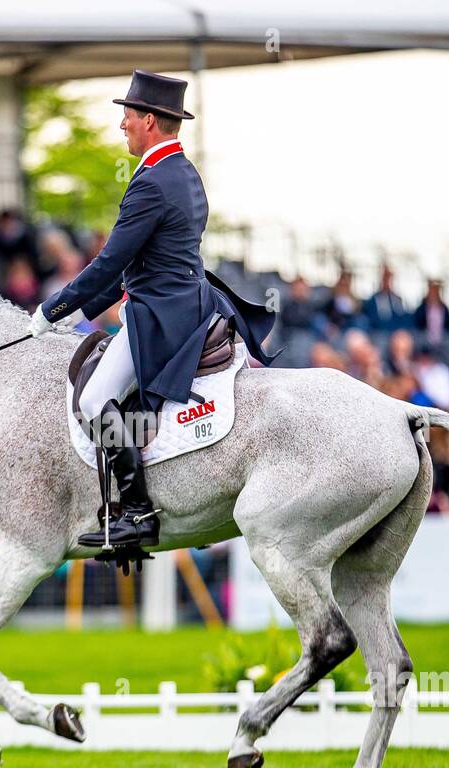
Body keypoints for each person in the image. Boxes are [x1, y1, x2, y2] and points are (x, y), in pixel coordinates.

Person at [28, 70, 278, 551]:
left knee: (94, 400)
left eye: (126, 116)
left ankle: (138, 511)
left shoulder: (151, 183)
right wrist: (74, 317)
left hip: (164, 317)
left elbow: (109, 264)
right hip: (189, 302)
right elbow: (131, 271)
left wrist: (51, 308)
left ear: (148, 120)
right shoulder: (183, 173)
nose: (122, 125)